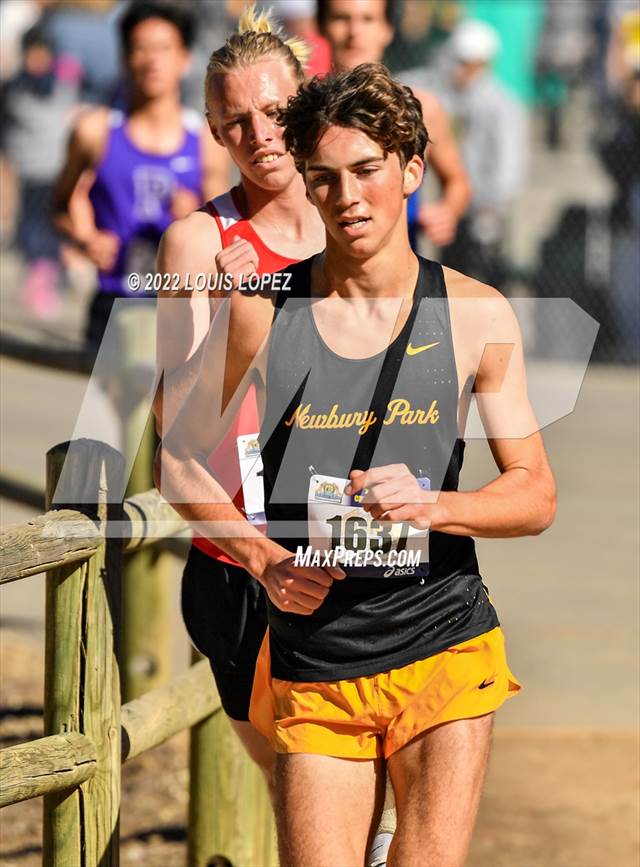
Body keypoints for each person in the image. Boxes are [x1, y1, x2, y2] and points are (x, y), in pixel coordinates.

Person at [158, 63, 556, 865]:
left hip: (445, 642)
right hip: (318, 655)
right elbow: (178, 461)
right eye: (324, 178)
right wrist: (263, 557)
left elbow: (534, 494)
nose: (346, 197)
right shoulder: (265, 311)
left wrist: (432, 505)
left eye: (367, 170)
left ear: (410, 168)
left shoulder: (476, 312)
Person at [154, 5, 325, 791]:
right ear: (216, 135)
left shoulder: (357, 220)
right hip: (241, 561)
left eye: (273, 112)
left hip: (351, 546)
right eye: (235, 123)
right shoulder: (199, 242)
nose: (259, 134)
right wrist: (232, 322)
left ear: (306, 102)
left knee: (356, 791)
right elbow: (176, 426)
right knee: (297, 784)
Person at [53, 0, 228, 346]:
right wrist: (85, 239)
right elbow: (60, 205)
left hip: (179, 305)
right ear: (124, 58)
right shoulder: (94, 130)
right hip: (112, 301)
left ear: (184, 59)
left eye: (164, 48)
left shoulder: (207, 141)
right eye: (140, 48)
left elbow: (224, 234)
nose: (152, 60)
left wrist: (196, 218)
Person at [316, 0, 470, 250]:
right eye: (342, 18)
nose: (355, 31)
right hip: (322, 271)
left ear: (387, 29)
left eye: (368, 19)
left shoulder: (422, 109)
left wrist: (446, 211)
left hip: (400, 276)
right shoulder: (305, 113)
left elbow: (457, 181)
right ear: (321, 26)